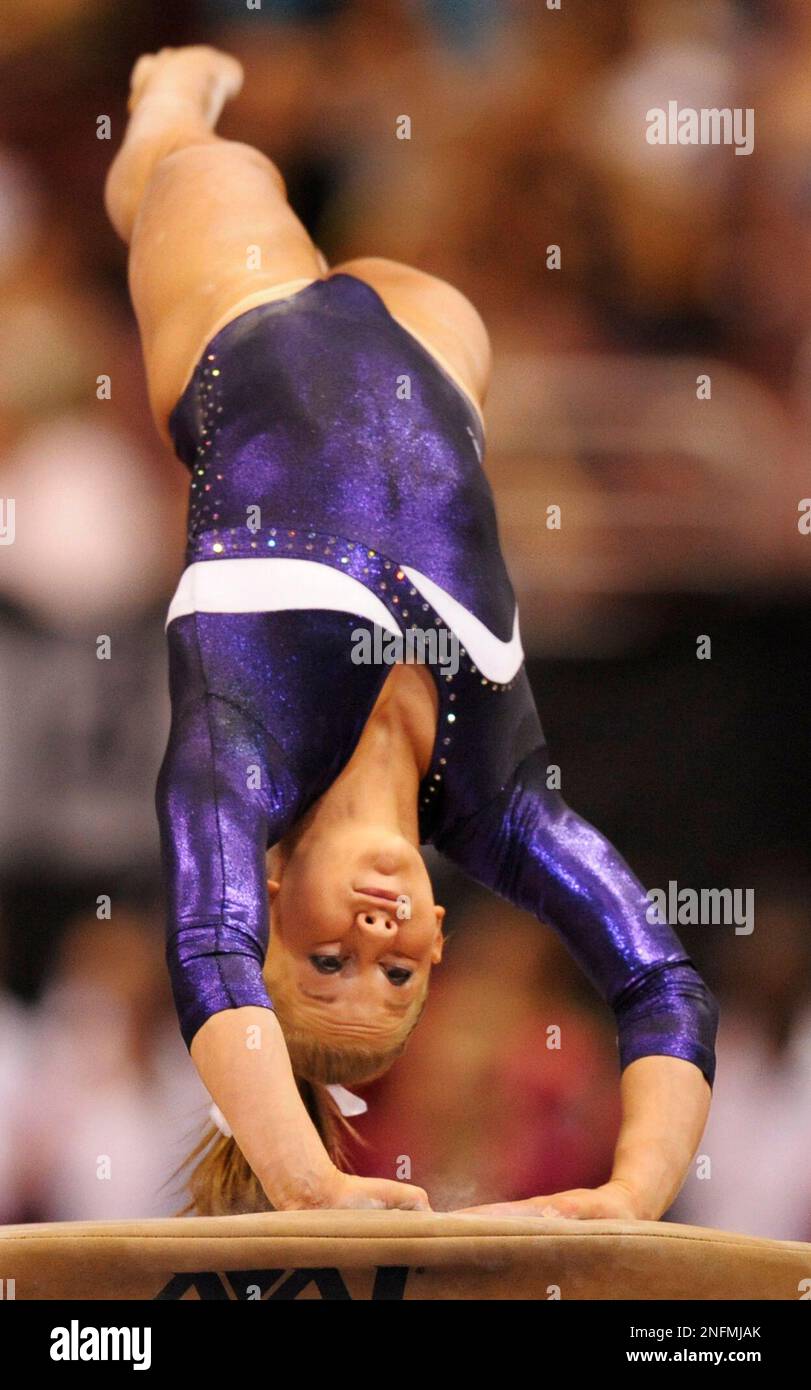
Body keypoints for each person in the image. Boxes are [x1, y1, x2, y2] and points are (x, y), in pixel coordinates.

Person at [104, 45, 718, 1219]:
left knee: (202, 164)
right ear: (441, 935)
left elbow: (203, 956)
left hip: (240, 323)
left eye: (329, 960)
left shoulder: (238, 756)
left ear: (270, 893)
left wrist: (302, 1177)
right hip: (436, 352)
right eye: (398, 972)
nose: (379, 937)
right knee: (466, 168)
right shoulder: (498, 804)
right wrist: (632, 1194)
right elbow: (662, 982)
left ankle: (153, 122)